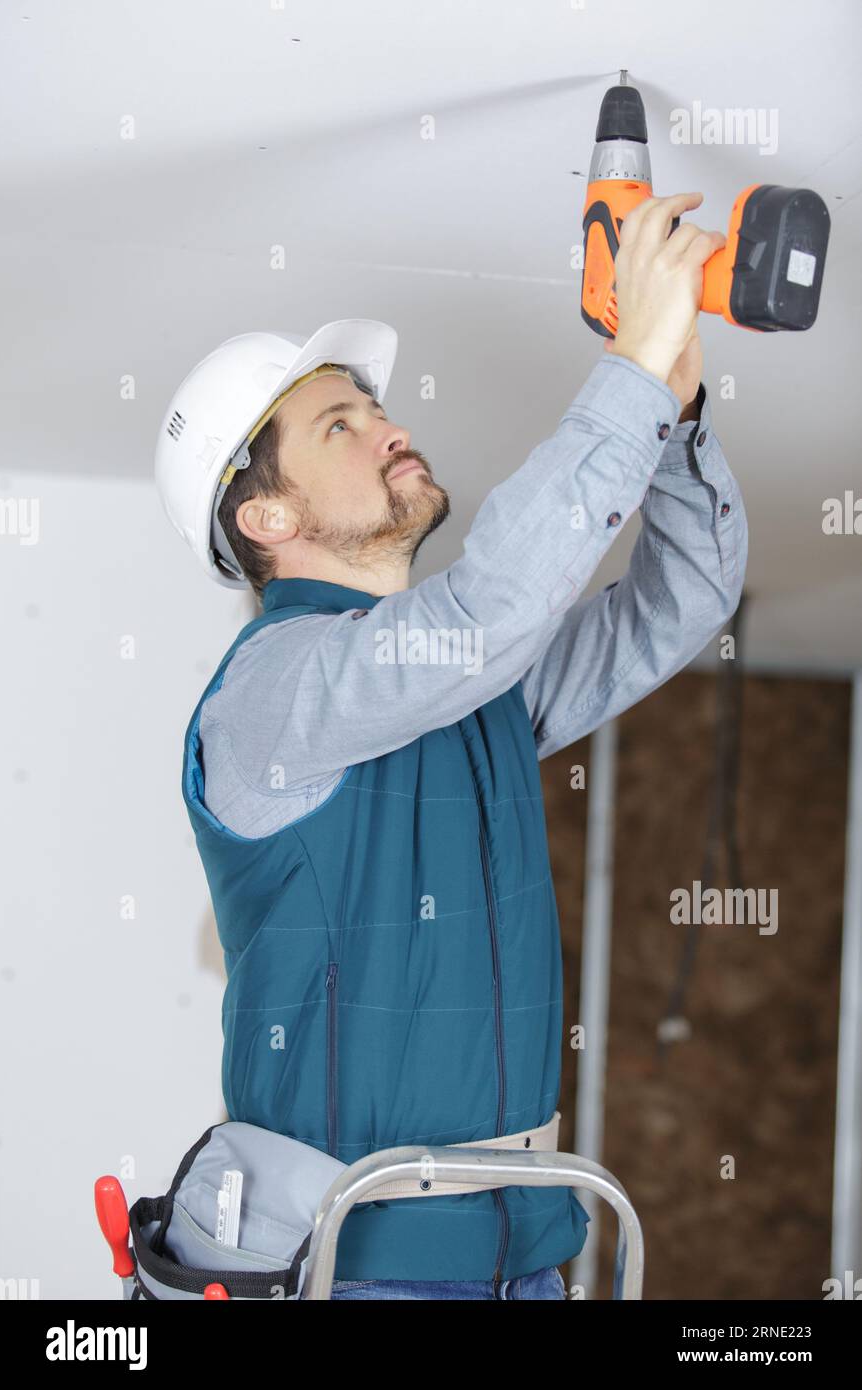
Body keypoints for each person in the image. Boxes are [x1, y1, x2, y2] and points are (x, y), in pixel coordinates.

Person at [154, 191, 747, 1300]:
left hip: (529, 1256)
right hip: (356, 1271)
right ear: (267, 520)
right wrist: (625, 364)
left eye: (375, 409)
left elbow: (683, 596)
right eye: (340, 424)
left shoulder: (478, 690)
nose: (392, 426)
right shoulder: (267, 695)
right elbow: (484, 614)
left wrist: (677, 406)